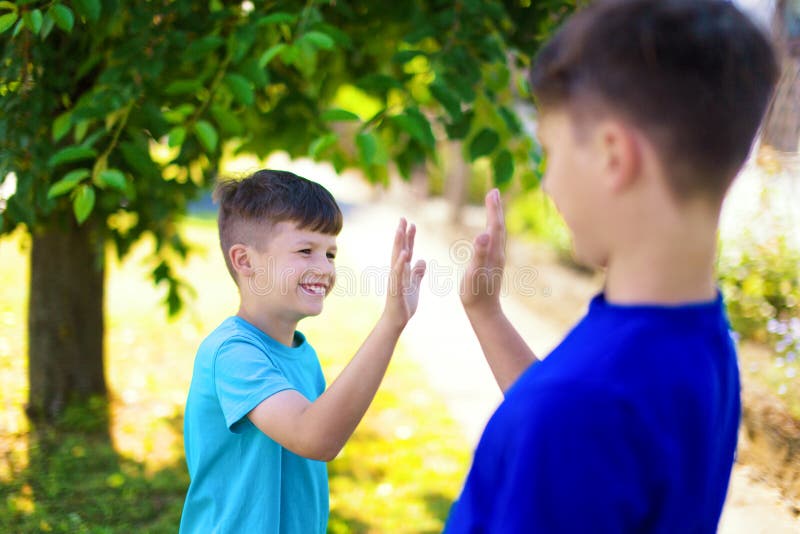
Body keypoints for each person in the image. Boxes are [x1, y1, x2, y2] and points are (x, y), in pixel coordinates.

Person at [445, 0, 778, 532]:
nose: (548, 182)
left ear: (611, 155)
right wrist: (487, 314)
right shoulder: (703, 339)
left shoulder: (575, 408)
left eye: (549, 152)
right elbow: (595, 439)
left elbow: (573, 420)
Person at [179, 169, 425, 533]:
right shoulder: (232, 354)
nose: (323, 268)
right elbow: (315, 437)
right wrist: (390, 324)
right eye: (305, 251)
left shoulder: (301, 354)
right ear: (245, 261)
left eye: (330, 253)